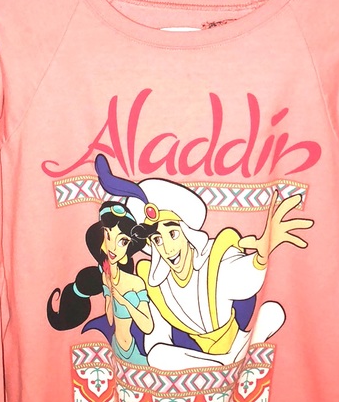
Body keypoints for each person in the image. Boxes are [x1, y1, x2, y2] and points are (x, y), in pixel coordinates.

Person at [95, 154, 313, 370]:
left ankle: (228, 363)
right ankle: (226, 365)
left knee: (273, 312)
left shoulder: (213, 259)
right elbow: (156, 335)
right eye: (157, 240)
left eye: (173, 234)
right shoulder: (156, 282)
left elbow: (242, 277)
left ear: (187, 233)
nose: (167, 249)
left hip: (240, 342)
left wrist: (261, 257)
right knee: (157, 355)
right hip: (201, 355)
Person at [46, 201, 153, 365]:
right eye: (108, 236)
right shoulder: (105, 278)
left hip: (133, 352)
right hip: (115, 348)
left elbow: (148, 326)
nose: (113, 247)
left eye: (123, 241)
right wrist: (109, 290)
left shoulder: (135, 282)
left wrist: (123, 300)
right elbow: (110, 319)